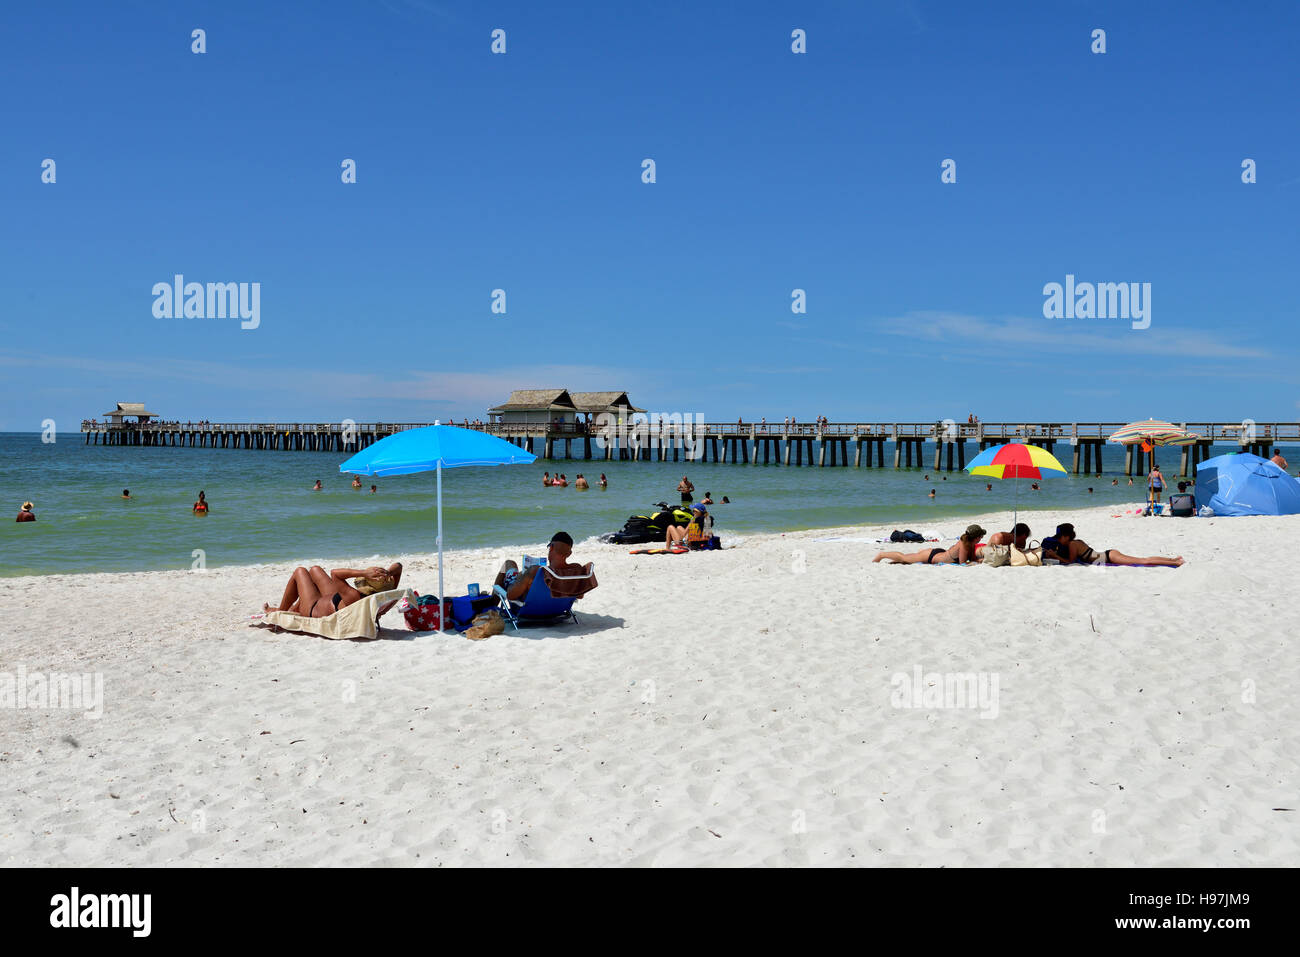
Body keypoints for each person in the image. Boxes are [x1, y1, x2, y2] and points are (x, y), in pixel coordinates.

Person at [264, 562, 403, 618]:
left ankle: (280, 613)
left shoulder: (354, 596)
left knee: (300, 571)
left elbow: (335, 573)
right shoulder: (385, 595)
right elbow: (399, 566)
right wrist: (388, 573)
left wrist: (363, 573)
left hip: (314, 607)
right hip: (331, 599)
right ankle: (293, 610)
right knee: (315, 570)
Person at [493, 532, 593, 600]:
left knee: (509, 564)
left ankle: (492, 603)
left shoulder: (536, 571)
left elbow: (510, 595)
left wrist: (522, 577)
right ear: (569, 553)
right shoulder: (575, 570)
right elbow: (579, 596)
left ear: (551, 548)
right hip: (556, 609)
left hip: (531, 609)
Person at [1040, 523, 1184, 567]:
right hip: (1108, 554)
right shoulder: (1076, 542)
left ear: (1067, 536)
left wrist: (1055, 555)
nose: (1060, 540)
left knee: (1142, 561)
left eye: (1061, 537)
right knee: (1141, 559)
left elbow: (1070, 562)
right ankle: (1172, 560)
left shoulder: (1072, 544)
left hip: (1109, 557)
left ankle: (1176, 562)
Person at [874, 524, 986, 565]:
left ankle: (893, 560)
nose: (981, 538)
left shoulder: (969, 543)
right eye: (980, 536)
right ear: (975, 537)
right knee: (904, 558)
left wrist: (978, 561)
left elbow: (971, 559)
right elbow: (963, 563)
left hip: (939, 553)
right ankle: (882, 555)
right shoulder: (964, 544)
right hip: (931, 556)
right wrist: (977, 562)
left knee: (906, 560)